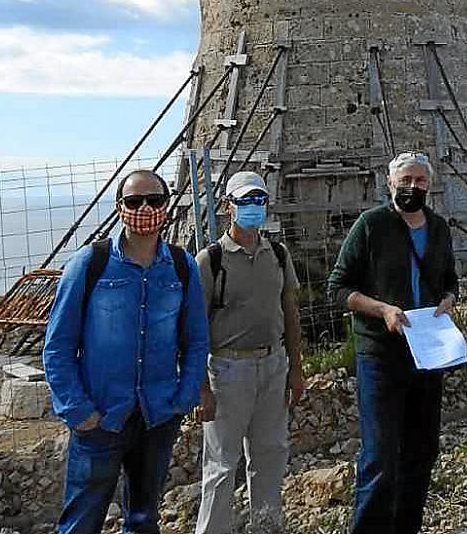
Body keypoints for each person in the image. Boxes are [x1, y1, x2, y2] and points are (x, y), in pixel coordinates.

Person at [43, 170, 209, 534]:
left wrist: (184, 397)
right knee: (80, 523)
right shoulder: (90, 264)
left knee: (143, 520)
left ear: (166, 206)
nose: (145, 209)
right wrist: (78, 410)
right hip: (101, 416)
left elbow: (196, 340)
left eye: (154, 200)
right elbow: (57, 345)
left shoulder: (182, 267)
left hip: (157, 415)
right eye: (134, 202)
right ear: (120, 208)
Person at [327, 152, 460, 534]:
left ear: (429, 184)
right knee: (380, 456)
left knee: (422, 451)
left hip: (428, 354)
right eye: (405, 180)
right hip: (381, 355)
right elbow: (338, 287)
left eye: (420, 180)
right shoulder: (372, 225)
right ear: (390, 183)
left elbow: (449, 279)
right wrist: (382, 309)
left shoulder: (438, 227)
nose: (412, 187)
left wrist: (449, 298)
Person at [194, 172, 305, 533]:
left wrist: (296, 368)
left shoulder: (278, 253)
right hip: (228, 368)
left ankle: (267, 527)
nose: (252, 208)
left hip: (273, 363)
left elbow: (290, 311)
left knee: (271, 453)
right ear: (228, 206)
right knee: (221, 465)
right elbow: (194, 327)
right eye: (244, 201)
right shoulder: (210, 260)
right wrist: (202, 388)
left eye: (258, 200)